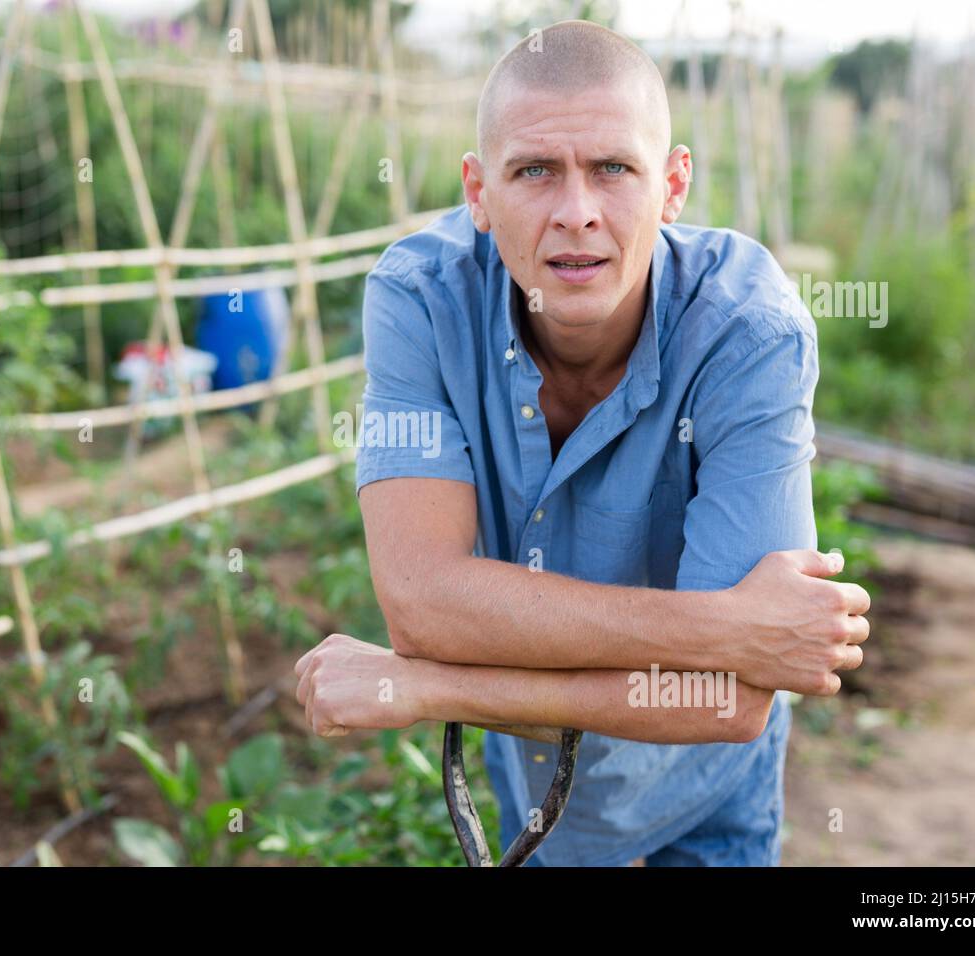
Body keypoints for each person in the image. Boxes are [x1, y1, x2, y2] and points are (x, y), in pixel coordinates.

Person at [294, 19, 871, 867]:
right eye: (534, 171)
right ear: (478, 191)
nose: (576, 214)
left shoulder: (750, 332)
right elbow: (420, 602)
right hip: (537, 797)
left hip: (707, 791)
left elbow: (733, 706)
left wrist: (425, 684)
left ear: (672, 185)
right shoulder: (419, 299)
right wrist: (725, 630)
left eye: (613, 168)